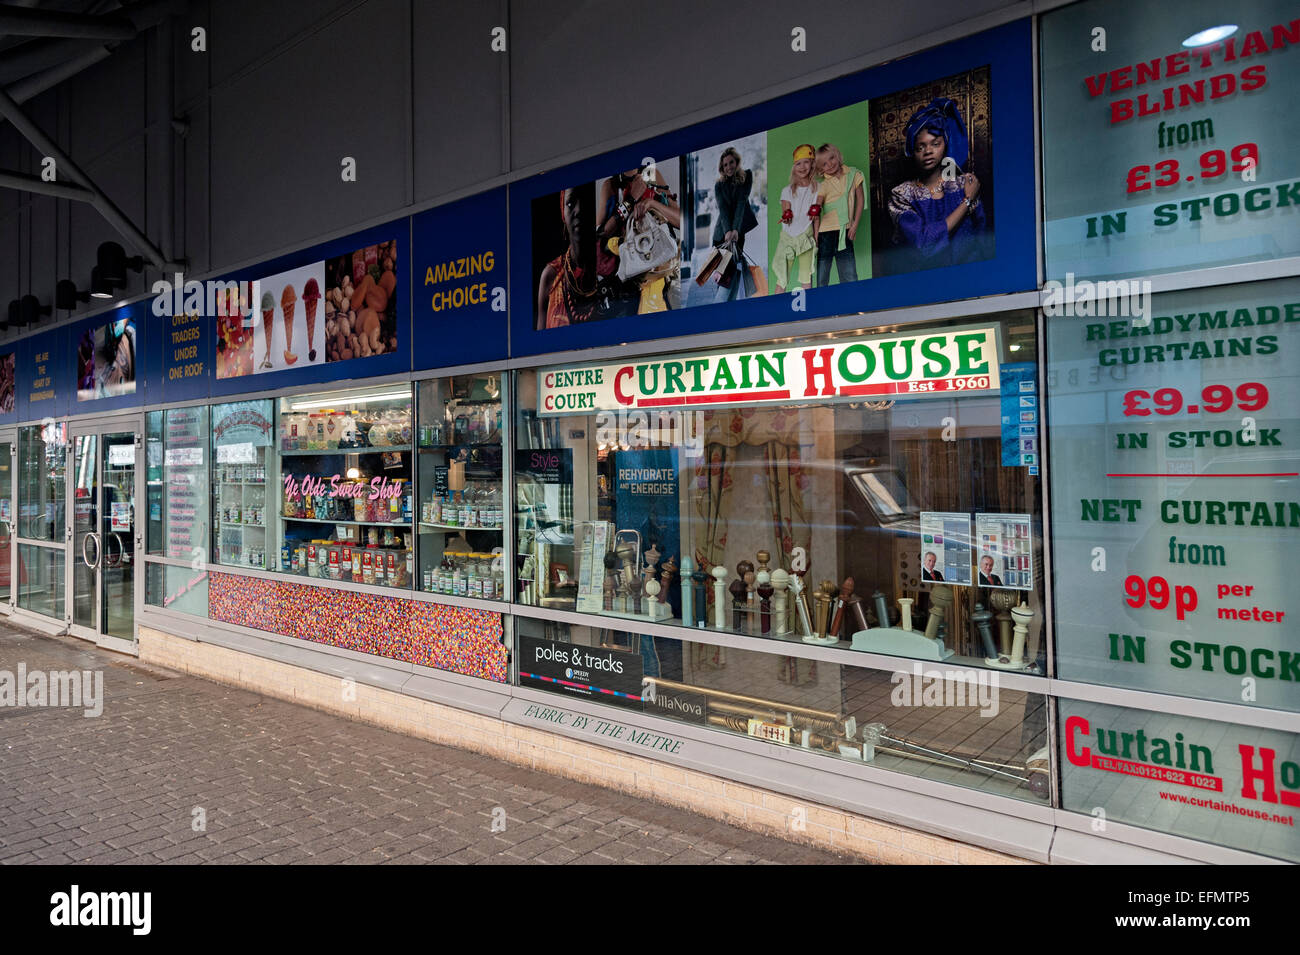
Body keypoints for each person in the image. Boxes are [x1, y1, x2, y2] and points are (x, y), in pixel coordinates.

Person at [888, 97, 986, 269]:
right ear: (913, 151)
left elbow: (981, 235)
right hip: (927, 285)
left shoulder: (964, 184)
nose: (928, 151)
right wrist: (967, 201)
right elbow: (924, 244)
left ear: (945, 145)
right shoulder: (902, 195)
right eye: (920, 147)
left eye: (935, 144)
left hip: (970, 278)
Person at [596, 166, 682, 314]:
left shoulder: (652, 174)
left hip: (661, 275)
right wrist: (630, 201)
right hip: (627, 280)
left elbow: (680, 221)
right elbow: (601, 233)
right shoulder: (611, 185)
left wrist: (651, 203)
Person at [537, 183, 603, 330]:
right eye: (571, 203)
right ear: (563, 213)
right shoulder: (551, 275)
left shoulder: (608, 267)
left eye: (585, 202)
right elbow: (537, 346)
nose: (578, 210)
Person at [710, 147, 758, 302]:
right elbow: (723, 210)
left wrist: (735, 230)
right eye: (725, 165)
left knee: (733, 273)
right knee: (724, 275)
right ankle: (721, 307)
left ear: (736, 162)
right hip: (722, 235)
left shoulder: (746, 177)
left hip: (738, 233)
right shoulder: (719, 185)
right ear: (721, 168)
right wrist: (728, 232)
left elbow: (741, 204)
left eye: (731, 162)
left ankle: (728, 307)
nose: (728, 167)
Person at [771, 144, 819, 294]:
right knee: (781, 278)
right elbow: (786, 212)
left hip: (806, 236)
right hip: (788, 239)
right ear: (794, 167)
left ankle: (809, 315)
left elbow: (817, 217)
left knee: (807, 278)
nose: (802, 167)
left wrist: (816, 238)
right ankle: (775, 314)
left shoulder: (818, 188)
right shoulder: (787, 191)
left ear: (812, 164)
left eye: (806, 162)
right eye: (798, 163)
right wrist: (786, 217)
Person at [814, 143, 864, 287]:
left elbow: (860, 200)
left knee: (849, 275)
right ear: (820, 168)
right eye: (824, 164)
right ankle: (822, 307)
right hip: (825, 233)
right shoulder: (824, 184)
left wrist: (855, 225)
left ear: (838, 156)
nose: (829, 165)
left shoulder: (854, 174)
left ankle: (851, 307)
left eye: (832, 158)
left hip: (845, 230)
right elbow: (818, 207)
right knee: (822, 277)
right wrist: (816, 235)